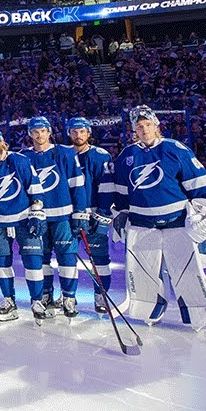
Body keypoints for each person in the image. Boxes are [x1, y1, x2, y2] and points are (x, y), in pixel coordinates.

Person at [110, 105, 206, 329]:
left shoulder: (175, 149)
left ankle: (197, 315)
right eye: (139, 127)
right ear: (134, 130)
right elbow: (121, 192)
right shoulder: (127, 155)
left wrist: (204, 210)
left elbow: (199, 183)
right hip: (141, 223)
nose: (144, 129)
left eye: (148, 125)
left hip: (176, 221)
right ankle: (149, 311)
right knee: (143, 271)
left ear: (156, 126)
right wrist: (121, 214)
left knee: (186, 269)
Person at [0, 126, 46, 322]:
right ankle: (8, 299)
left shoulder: (20, 160)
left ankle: (36, 300)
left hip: (23, 219)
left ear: (1, 141)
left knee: (33, 262)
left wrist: (37, 212)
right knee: (2, 263)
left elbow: (34, 187)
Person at [23, 116, 88, 318]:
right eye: (35, 131)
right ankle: (45, 295)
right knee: (41, 259)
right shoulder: (24, 157)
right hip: (36, 217)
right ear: (29, 134)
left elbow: (77, 183)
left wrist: (80, 212)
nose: (39, 135)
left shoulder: (65, 153)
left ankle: (69, 297)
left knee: (67, 258)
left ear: (49, 132)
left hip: (63, 216)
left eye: (42, 131)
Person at [67, 117, 115, 313]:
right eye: (74, 132)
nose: (78, 135)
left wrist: (103, 215)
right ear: (69, 133)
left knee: (100, 261)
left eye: (82, 131)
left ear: (89, 133)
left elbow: (107, 187)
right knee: (68, 259)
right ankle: (68, 297)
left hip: (94, 216)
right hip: (69, 216)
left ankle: (101, 296)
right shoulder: (63, 155)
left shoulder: (100, 156)